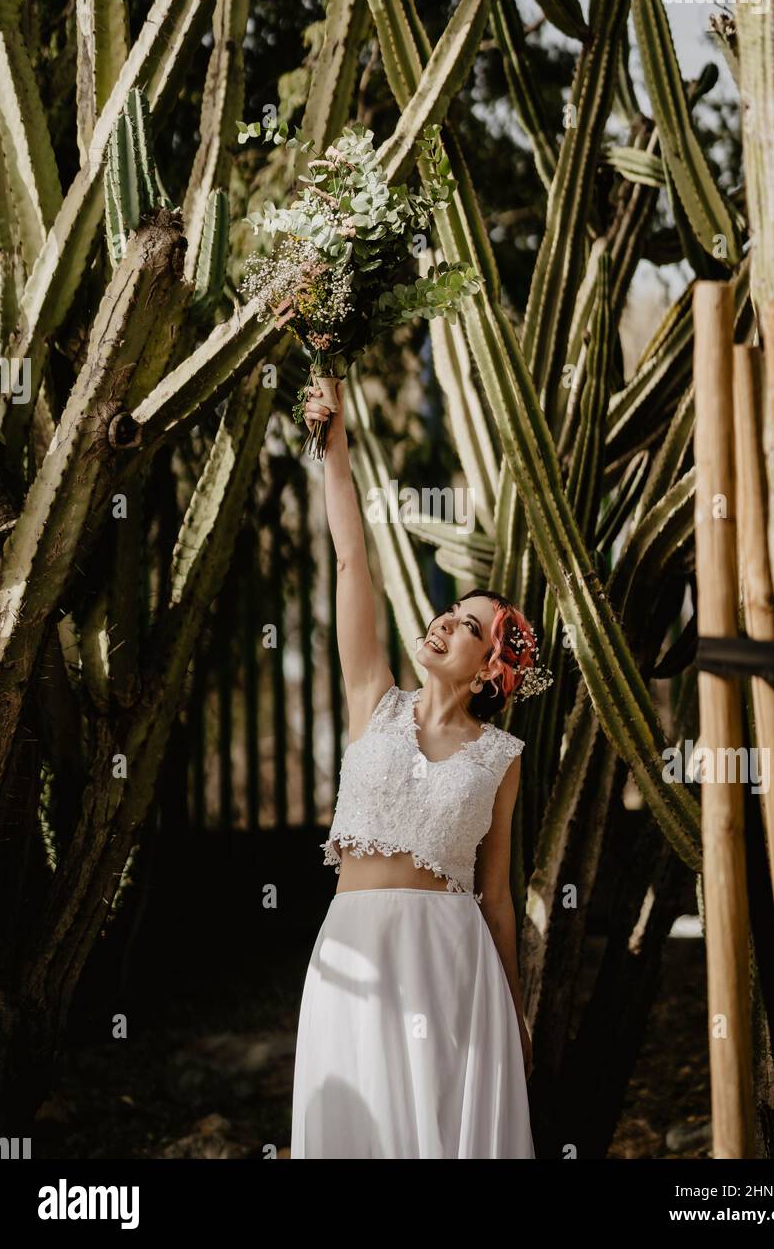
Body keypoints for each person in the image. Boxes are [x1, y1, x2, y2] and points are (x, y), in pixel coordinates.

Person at [290, 379, 551, 1159]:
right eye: (450, 609)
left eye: (470, 626)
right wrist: (332, 440)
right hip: (352, 947)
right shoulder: (375, 698)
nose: (444, 620)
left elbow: (498, 896)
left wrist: (511, 1006)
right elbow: (348, 560)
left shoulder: (501, 759)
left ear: (487, 672)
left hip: (452, 967)